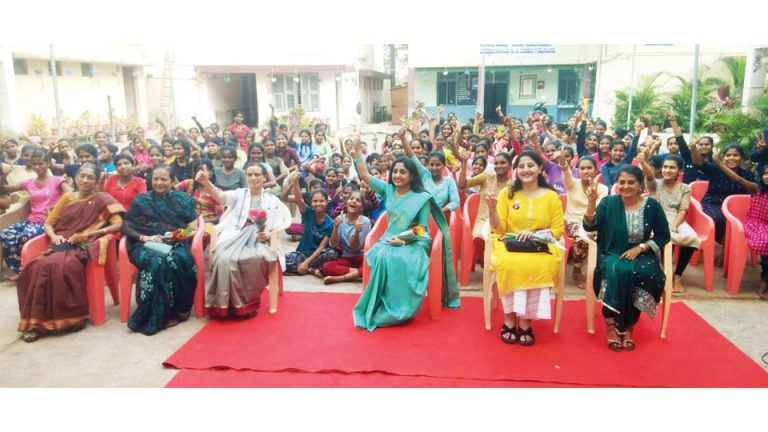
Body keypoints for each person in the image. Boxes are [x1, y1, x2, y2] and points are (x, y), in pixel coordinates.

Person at [351, 140, 459, 331]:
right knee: (382, 254)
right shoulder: (388, 190)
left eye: (403, 172)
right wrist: (358, 154)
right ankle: (381, 304)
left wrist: (403, 240)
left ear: (411, 176)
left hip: (416, 241)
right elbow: (365, 175)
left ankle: (401, 309)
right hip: (390, 237)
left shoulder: (422, 197)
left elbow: (422, 229)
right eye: (395, 172)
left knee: (398, 257)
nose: (398, 175)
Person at [16, 164, 124, 342]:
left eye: (91, 177)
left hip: (84, 245)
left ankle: (71, 318)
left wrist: (88, 234)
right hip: (61, 244)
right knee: (35, 266)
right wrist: (53, 236)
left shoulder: (103, 199)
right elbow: (49, 223)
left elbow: (118, 224)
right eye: (82, 176)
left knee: (62, 266)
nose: (85, 180)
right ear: (75, 178)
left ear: (97, 181)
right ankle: (35, 322)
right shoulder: (68, 197)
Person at [583, 165, 671, 351]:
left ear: (640, 185)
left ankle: (628, 325)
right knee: (616, 269)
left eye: (631, 182)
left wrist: (641, 248)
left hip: (641, 253)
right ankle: (611, 325)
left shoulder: (652, 206)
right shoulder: (609, 203)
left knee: (644, 273)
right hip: (611, 252)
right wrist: (591, 203)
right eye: (621, 182)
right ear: (616, 184)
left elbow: (664, 236)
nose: (626, 186)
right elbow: (590, 228)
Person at [488, 150, 564, 347]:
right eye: (521, 166)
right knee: (509, 263)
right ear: (516, 170)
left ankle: (525, 321)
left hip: (540, 246)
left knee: (541, 265)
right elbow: (499, 228)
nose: (525, 170)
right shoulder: (507, 193)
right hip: (509, 244)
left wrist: (535, 234)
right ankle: (509, 319)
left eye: (530, 165)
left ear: (540, 168)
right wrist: (491, 210)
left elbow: (557, 231)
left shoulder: (551, 196)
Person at [196, 162, 287, 318]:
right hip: (235, 236)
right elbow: (221, 197)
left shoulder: (273, 200)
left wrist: (268, 233)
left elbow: (277, 226)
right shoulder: (239, 194)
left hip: (260, 240)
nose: (253, 177)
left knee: (250, 259)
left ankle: (246, 305)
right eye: (249, 174)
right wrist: (206, 183)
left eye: (257, 174)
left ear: (264, 177)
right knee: (224, 259)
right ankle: (225, 306)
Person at [121, 165, 200, 336]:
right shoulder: (142, 200)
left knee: (177, 260)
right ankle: (152, 311)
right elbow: (126, 225)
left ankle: (178, 310)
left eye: (164, 179)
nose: (159, 182)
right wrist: (144, 238)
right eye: (155, 178)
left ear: (172, 181)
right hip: (145, 243)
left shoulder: (183, 200)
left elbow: (193, 228)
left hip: (176, 242)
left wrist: (179, 235)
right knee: (156, 261)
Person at [0, 149, 71, 280]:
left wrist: (57, 206)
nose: (37, 167)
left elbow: (71, 195)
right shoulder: (29, 182)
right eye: (34, 164)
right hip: (31, 221)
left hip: (48, 222)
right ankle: (21, 270)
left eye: (41, 163)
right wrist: (4, 175)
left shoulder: (58, 180)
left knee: (27, 234)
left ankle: (28, 270)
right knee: (5, 235)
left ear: (48, 163)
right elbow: (3, 189)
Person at [639, 152, 700, 294]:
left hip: (676, 219)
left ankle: (678, 275)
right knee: (667, 237)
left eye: (672, 167)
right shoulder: (656, 184)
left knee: (692, 237)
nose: (667, 170)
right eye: (665, 167)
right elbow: (649, 176)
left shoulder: (685, 187)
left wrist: (675, 225)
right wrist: (643, 163)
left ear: (679, 171)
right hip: (656, 217)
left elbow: (683, 209)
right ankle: (665, 272)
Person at [557, 153, 608, 286]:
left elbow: (600, 211)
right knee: (583, 238)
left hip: (593, 222)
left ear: (595, 170)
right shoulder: (572, 184)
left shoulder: (602, 189)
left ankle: (603, 272)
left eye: (589, 168)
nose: (585, 171)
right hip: (572, 222)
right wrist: (563, 163)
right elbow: (566, 172)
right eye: (582, 168)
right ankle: (577, 271)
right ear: (578, 171)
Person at [691, 141, 754, 244]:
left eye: (735, 155)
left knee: (739, 222)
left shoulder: (747, 174)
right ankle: (718, 246)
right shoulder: (716, 169)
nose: (731, 158)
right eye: (728, 155)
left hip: (736, 209)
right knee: (720, 219)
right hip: (713, 204)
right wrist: (693, 147)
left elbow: (752, 193)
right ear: (723, 157)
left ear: (742, 158)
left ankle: (730, 250)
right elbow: (699, 163)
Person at [284, 172, 338, 275]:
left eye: (321, 201)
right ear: (311, 202)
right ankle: (311, 270)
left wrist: (306, 262)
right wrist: (295, 182)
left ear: (326, 202)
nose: (318, 204)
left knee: (332, 254)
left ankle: (305, 267)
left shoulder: (330, 223)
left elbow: (322, 246)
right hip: (303, 253)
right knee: (282, 262)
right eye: (315, 201)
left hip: (317, 255)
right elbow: (299, 199)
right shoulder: (308, 212)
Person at [321, 190, 371, 284]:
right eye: (351, 199)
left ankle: (340, 278)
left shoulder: (365, 221)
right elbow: (333, 244)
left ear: (361, 208)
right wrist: (335, 227)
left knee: (373, 265)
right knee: (326, 267)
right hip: (347, 258)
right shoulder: (340, 218)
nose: (354, 201)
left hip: (361, 257)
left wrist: (356, 232)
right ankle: (359, 274)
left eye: (358, 200)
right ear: (346, 203)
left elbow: (355, 247)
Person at [175, 159, 223, 235]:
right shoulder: (189, 183)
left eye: (204, 170)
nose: (200, 173)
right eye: (198, 171)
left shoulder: (217, 192)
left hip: (208, 224)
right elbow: (171, 191)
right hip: (190, 223)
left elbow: (220, 216)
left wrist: (201, 221)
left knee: (201, 234)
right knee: (181, 234)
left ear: (211, 172)